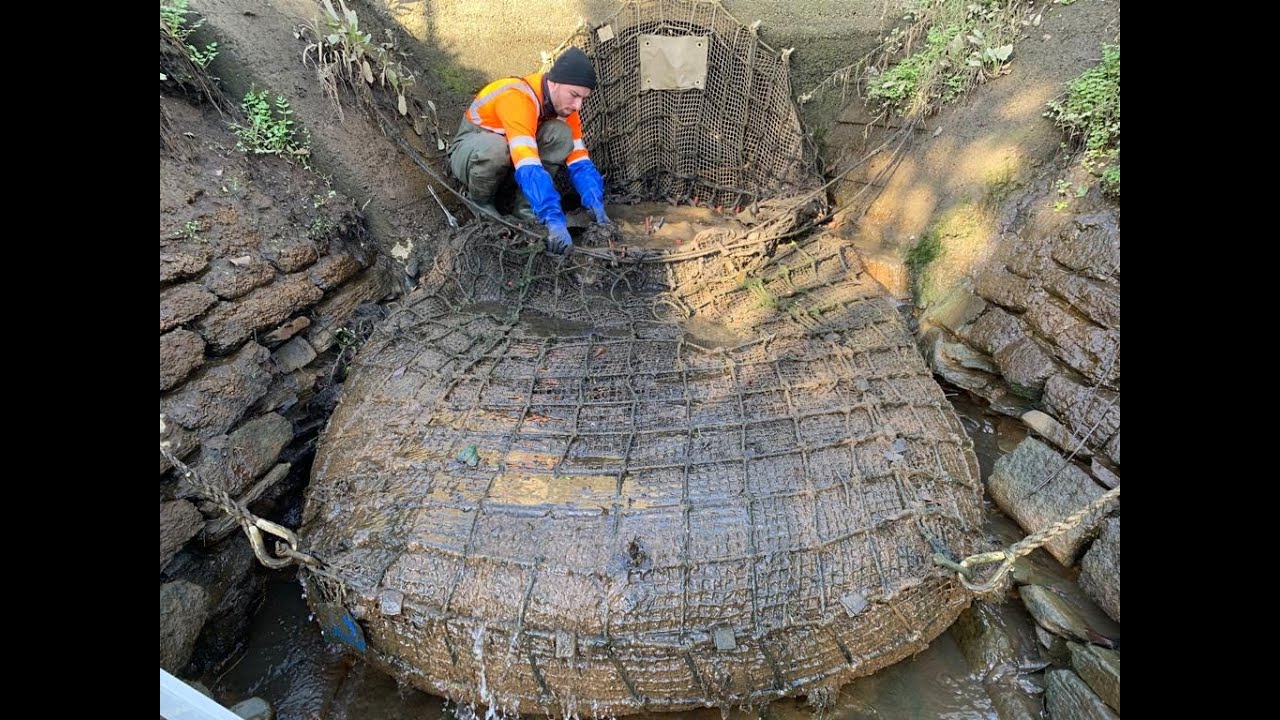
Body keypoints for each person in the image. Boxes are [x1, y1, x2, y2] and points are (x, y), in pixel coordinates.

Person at [448, 47, 611, 255]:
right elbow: (528, 164)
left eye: (583, 99)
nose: (578, 105)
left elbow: (579, 161)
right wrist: (553, 217)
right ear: (554, 83)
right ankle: (480, 202)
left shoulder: (565, 108)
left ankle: (525, 210)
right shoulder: (518, 98)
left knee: (561, 133)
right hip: (471, 150)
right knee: (497, 149)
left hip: (511, 160)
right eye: (574, 95)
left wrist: (594, 200)